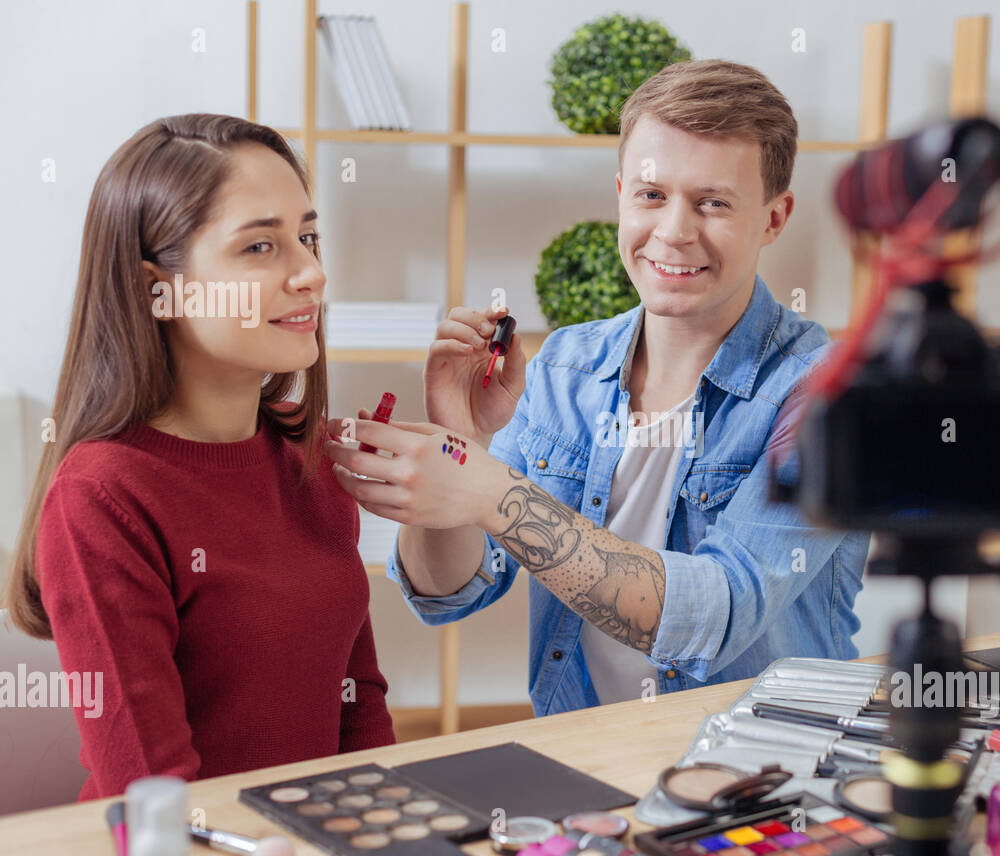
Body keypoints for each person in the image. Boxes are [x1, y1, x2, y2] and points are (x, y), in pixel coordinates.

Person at [325, 60, 870, 715]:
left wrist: (491, 489)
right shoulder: (567, 364)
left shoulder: (826, 391)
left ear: (775, 218)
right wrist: (457, 444)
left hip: (764, 774)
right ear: (619, 194)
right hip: (592, 757)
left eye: (714, 202)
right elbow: (454, 591)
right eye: (651, 195)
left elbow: (721, 614)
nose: (674, 231)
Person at [4, 114, 395, 800]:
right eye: (259, 248)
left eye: (306, 236)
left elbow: (357, 715)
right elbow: (153, 793)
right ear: (160, 288)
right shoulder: (100, 498)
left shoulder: (308, 455)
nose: (311, 272)